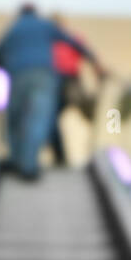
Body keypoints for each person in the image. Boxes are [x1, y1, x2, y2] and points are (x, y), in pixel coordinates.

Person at [0, 4, 103, 179]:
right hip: (45, 79)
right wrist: (95, 62)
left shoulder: (14, 28)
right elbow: (74, 43)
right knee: (38, 119)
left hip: (19, 77)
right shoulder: (45, 26)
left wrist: (2, 65)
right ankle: (30, 165)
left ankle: (19, 160)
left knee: (17, 118)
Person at [48, 13, 88, 167]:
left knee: (51, 119)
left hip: (65, 82)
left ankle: (60, 157)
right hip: (65, 82)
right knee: (52, 120)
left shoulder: (62, 39)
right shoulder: (70, 38)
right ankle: (60, 157)